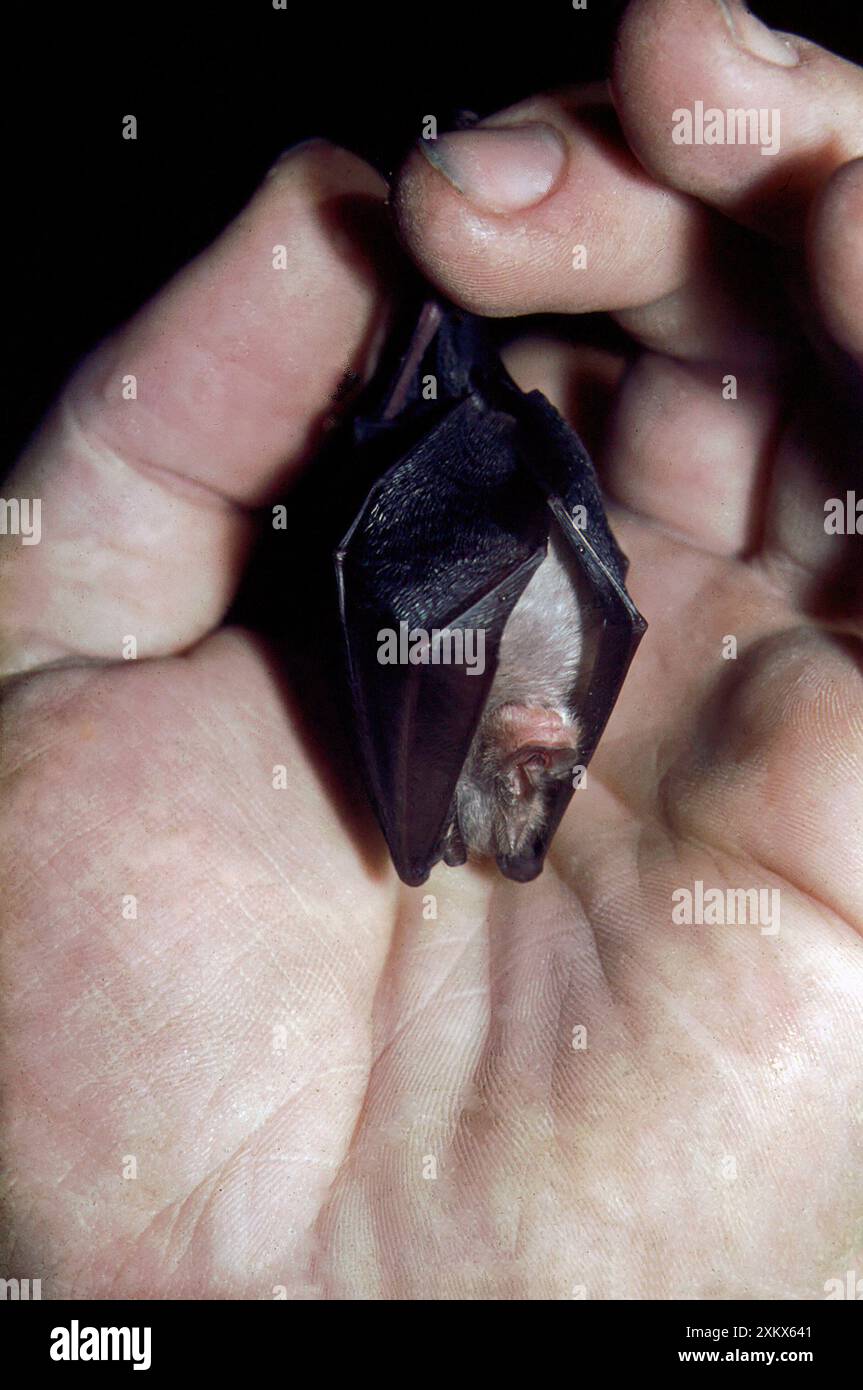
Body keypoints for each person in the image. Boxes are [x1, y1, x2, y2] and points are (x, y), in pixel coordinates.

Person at [1, 0, 860, 1298]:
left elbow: (465, 703)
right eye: (544, 768)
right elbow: (551, 665)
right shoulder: (548, 690)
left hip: (452, 546)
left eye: (521, 774)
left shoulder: (436, 723)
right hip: (513, 543)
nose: (542, 762)